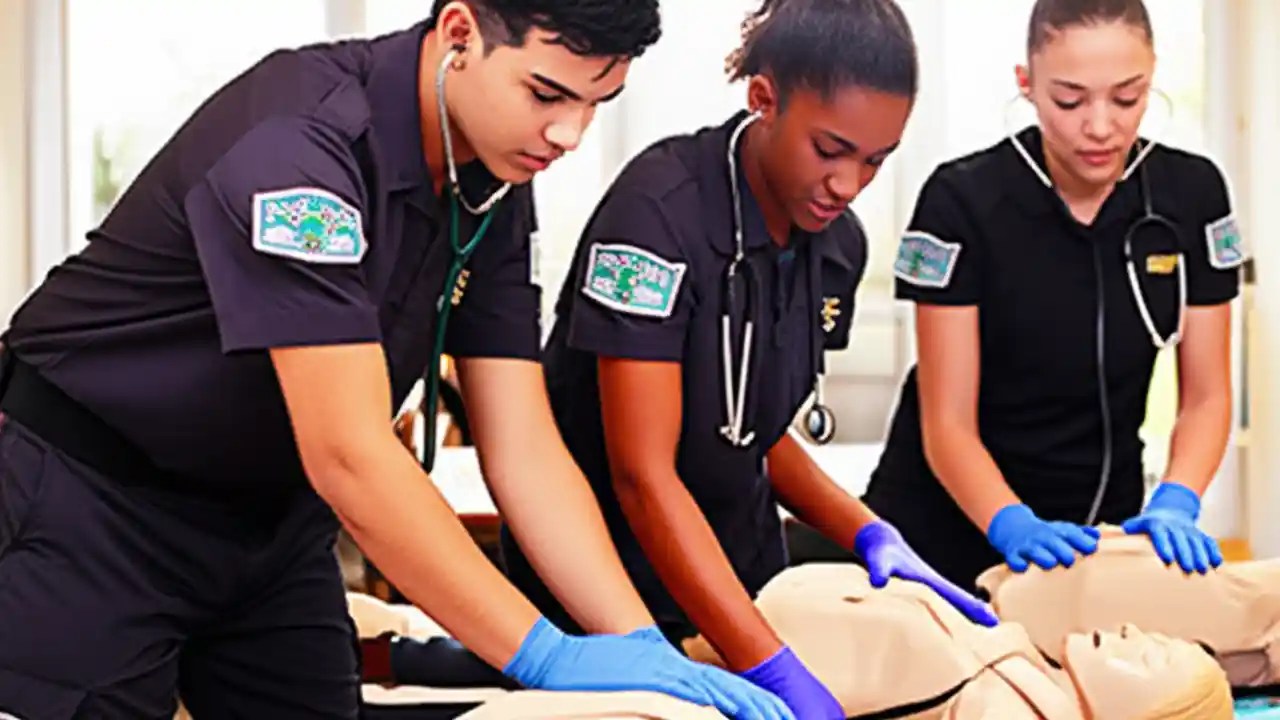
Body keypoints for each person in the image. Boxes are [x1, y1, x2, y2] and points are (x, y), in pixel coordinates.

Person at [0, 2, 796, 719]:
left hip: (270, 523)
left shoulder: (491, 178)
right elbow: (349, 454)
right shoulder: (299, 144)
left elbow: (521, 443)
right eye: (548, 94)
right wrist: (542, 653)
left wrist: (635, 643)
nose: (570, 135)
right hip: (92, 503)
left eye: (597, 103)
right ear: (460, 33)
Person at [500, 0, 998, 717]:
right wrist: (769, 663)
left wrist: (866, 531)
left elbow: (751, 431)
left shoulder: (838, 246)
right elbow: (643, 474)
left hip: (742, 582)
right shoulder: (657, 216)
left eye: (875, 160)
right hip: (610, 600)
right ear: (764, 99)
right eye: (829, 150)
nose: (849, 185)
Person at [862, 0, 1243, 594]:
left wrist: (1177, 498)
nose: (1100, 126)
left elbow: (1208, 396)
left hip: (1098, 535)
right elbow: (948, 423)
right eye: (1069, 100)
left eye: (1127, 97)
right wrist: (1010, 525)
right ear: (1028, 86)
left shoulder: (1190, 196)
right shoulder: (961, 203)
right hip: (945, 534)